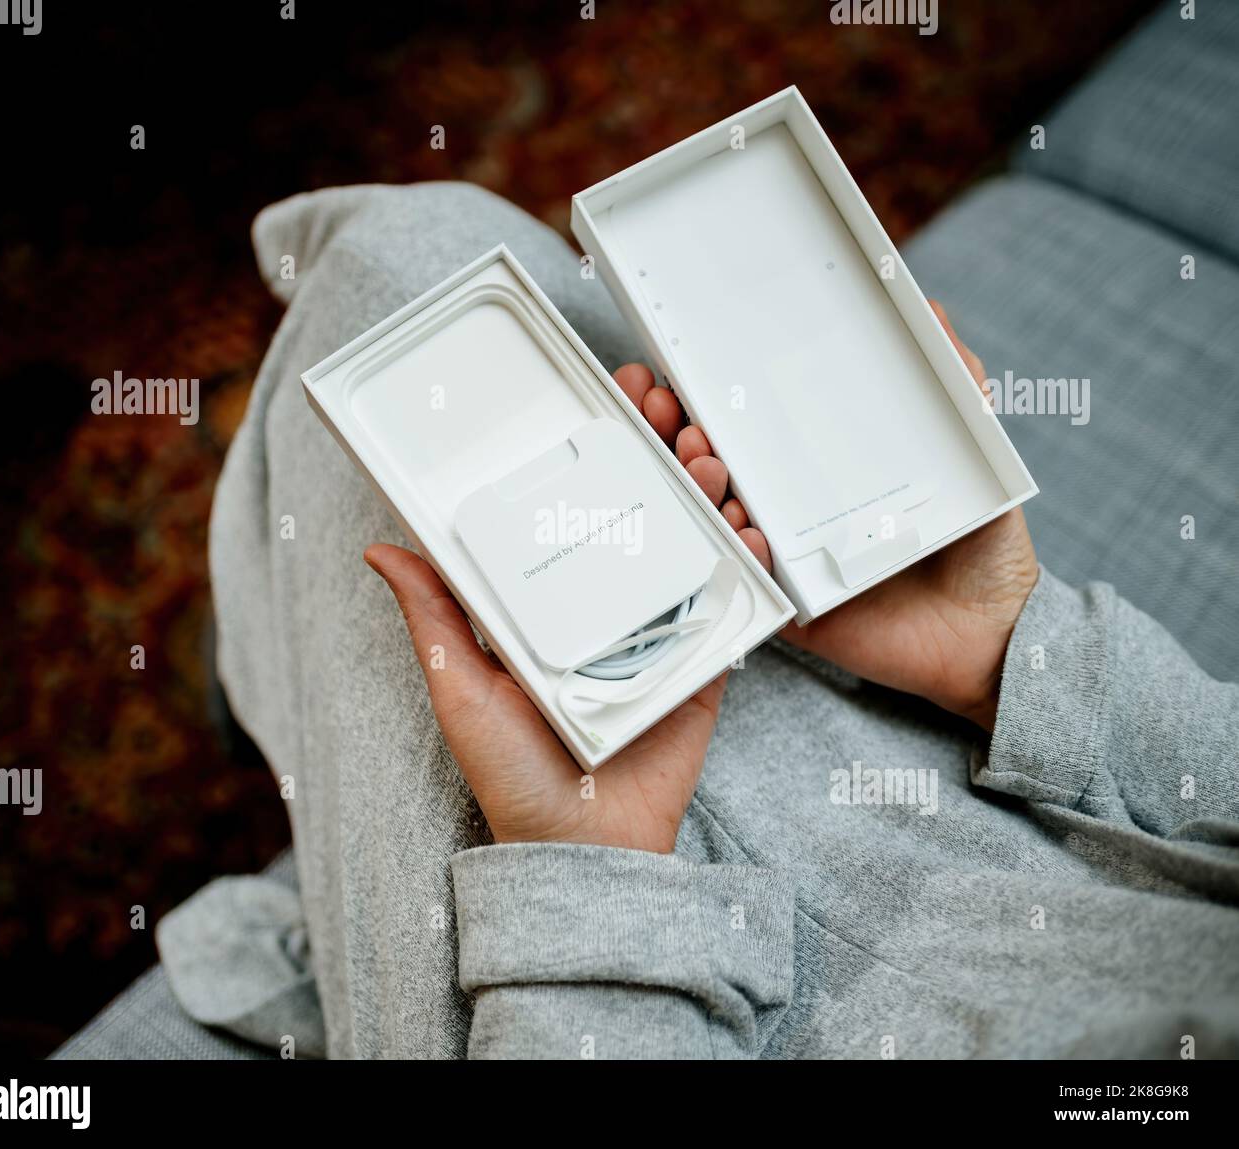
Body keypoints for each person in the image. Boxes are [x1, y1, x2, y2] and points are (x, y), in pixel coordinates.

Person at [202, 183, 1239, 1059]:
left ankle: (253, 613)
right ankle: (261, 608)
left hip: (616, 984)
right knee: (447, 275)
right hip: (996, 807)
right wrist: (1009, 652)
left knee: (376, 298)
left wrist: (592, 893)